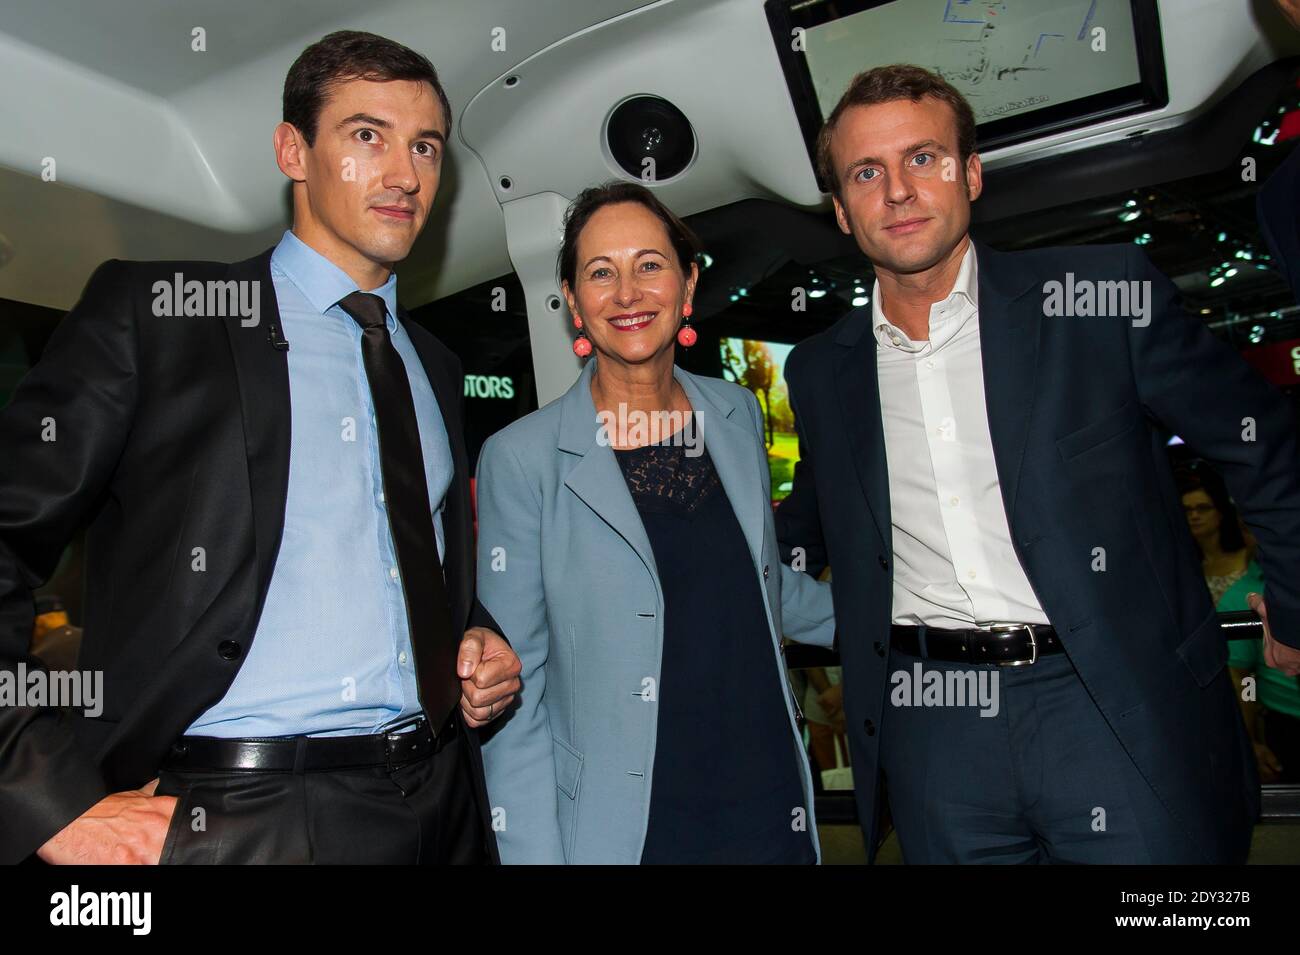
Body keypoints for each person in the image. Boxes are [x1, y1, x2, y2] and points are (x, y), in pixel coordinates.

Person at [0, 30, 521, 865]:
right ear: (292, 150)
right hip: (232, 815)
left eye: (423, 146)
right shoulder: (159, 317)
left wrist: (474, 636)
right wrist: (46, 800)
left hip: (441, 803)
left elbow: (402, 560)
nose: (402, 173)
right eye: (365, 136)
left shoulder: (433, 363)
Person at [775, 64, 1300, 863]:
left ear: (971, 173)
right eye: (866, 173)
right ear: (842, 212)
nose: (899, 191)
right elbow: (811, 524)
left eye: (925, 158)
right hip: (937, 727)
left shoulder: (1099, 296)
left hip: (1112, 698)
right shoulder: (820, 370)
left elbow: (1262, 442)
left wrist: (1294, 607)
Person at [474, 181, 836, 863]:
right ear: (574, 303)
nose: (628, 292)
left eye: (650, 264)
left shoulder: (735, 415)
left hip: (767, 799)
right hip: (634, 826)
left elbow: (754, 584)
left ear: (688, 284)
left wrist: (886, 615)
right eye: (600, 272)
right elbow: (511, 694)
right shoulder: (521, 460)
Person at [1180, 469, 1300, 784]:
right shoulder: (1242, 594)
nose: (1194, 517)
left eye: (1202, 508)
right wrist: (1251, 741)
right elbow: (1241, 678)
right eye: (1188, 510)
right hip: (1284, 718)